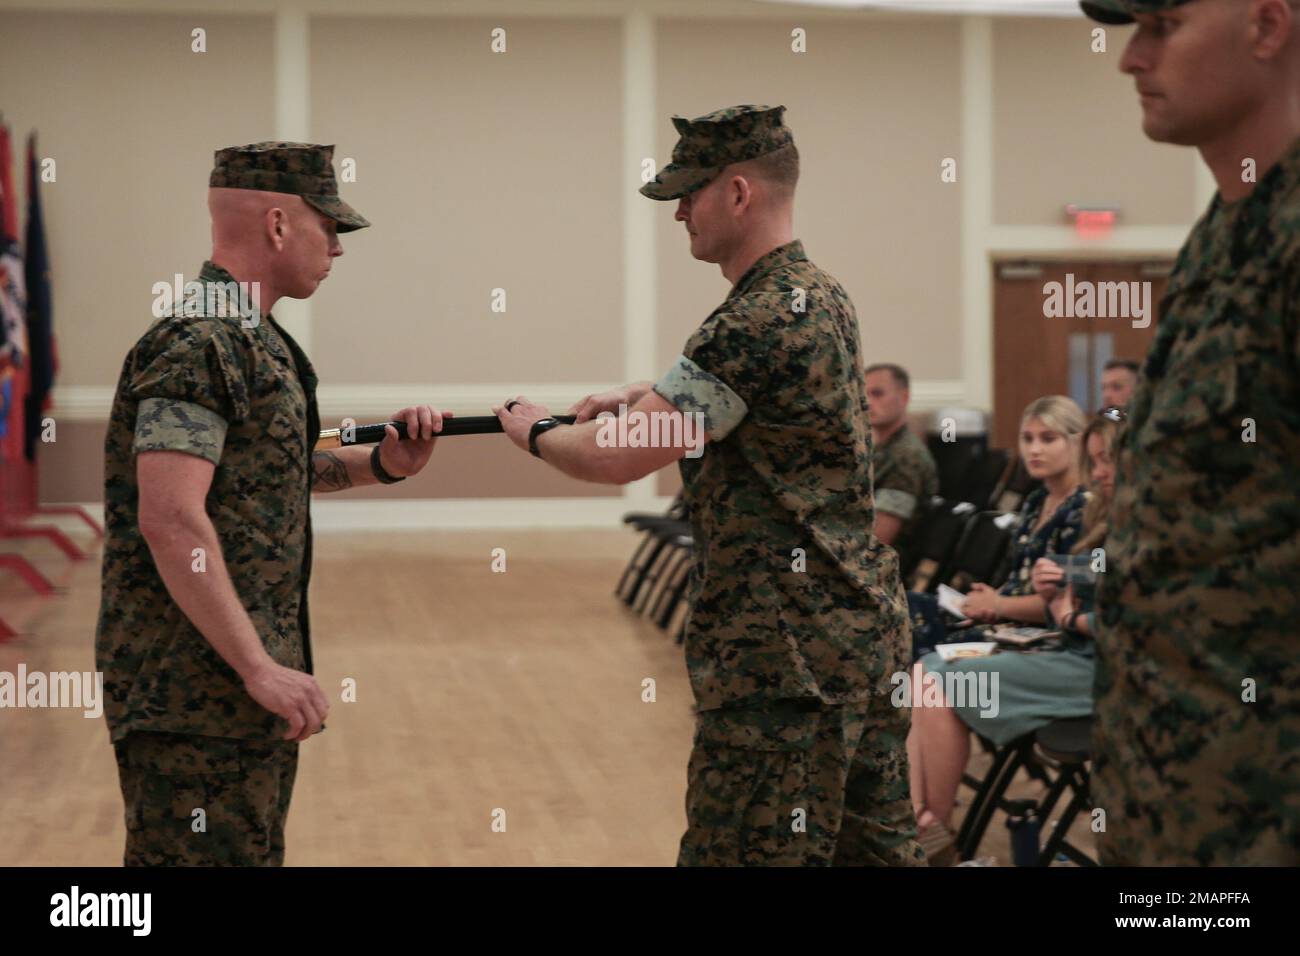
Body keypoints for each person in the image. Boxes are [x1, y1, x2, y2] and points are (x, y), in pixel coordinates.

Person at [493, 105, 924, 866]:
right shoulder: (819, 294)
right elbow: (756, 415)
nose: (680, 213)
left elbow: (613, 460)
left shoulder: (750, 320)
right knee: (876, 853)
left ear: (737, 192)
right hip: (858, 635)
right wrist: (647, 394)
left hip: (781, 657)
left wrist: (532, 430)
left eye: (688, 194)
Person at [97, 142, 447, 866]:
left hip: (230, 694)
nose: (339, 250)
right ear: (280, 224)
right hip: (191, 692)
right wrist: (258, 666)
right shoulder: (200, 342)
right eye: (332, 228)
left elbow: (263, 475)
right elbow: (170, 517)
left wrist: (383, 463)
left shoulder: (252, 340)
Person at [1079, 0, 1300, 866]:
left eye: (1163, 24)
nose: (1131, 59)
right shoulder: (1221, 237)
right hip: (1169, 799)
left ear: (1269, 26)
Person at [907, 410, 1119, 863]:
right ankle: (921, 822)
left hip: (1099, 667)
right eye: (1027, 438)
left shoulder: (1110, 515)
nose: (1101, 471)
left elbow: (1124, 619)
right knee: (923, 670)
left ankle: (932, 832)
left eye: (1110, 461)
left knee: (939, 681)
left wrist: (1061, 614)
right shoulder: (1093, 509)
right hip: (1069, 648)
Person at [907, 396, 1088, 661]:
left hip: (1043, 636)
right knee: (908, 606)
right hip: (1008, 619)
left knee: (923, 639)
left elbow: (1072, 601)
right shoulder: (1036, 501)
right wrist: (992, 597)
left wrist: (999, 605)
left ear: (1076, 442)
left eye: (1048, 439)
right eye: (1027, 439)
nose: (1034, 449)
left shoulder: (1083, 509)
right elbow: (1021, 576)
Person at [865, 363, 938, 554]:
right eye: (863, 394)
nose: (867, 402)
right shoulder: (882, 449)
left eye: (877, 393)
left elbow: (878, 540)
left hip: (884, 570)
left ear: (904, 397)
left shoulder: (906, 457)